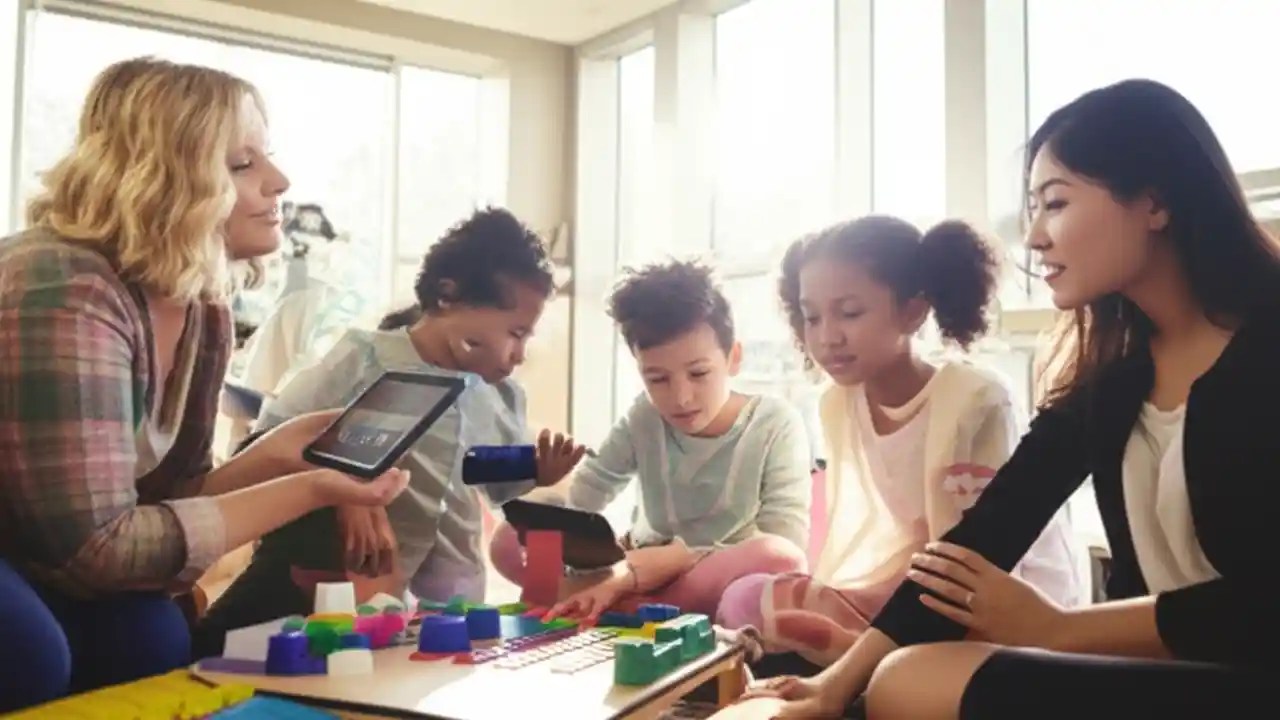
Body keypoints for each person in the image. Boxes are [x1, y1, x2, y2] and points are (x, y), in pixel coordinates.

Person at [733, 79, 1280, 720]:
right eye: (1031, 210)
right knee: (899, 678)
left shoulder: (1263, 349)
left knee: (910, 686)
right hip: (1168, 675)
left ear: (1154, 201)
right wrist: (835, 685)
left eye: (1055, 203)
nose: (1035, 237)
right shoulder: (1114, 378)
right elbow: (978, 541)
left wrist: (1061, 629)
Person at [0, 58, 407, 713]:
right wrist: (308, 487)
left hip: (37, 549)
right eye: (242, 165)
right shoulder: (63, 288)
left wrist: (274, 454)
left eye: (264, 157)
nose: (280, 181)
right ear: (160, 178)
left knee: (149, 639)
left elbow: (165, 503)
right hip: (38, 553)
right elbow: (94, 550)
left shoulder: (202, 309)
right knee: (26, 650)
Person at [195, 207, 585, 657]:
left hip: (443, 598)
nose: (518, 353)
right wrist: (347, 489)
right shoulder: (365, 358)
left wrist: (536, 470)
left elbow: (484, 475)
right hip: (332, 579)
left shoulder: (501, 396)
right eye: (515, 333)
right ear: (448, 296)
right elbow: (274, 440)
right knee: (226, 650)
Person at [714, 216, 1082, 677]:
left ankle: (864, 658)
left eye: (849, 313)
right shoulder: (838, 402)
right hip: (909, 584)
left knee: (886, 644)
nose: (827, 336)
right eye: (812, 317)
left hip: (999, 599)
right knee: (746, 595)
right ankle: (866, 655)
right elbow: (881, 545)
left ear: (913, 311)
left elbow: (977, 558)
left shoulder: (973, 399)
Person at [491, 259, 812, 620]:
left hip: (711, 573)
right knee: (511, 535)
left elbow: (785, 543)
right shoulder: (645, 415)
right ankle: (603, 599)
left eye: (699, 373)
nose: (681, 397)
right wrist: (573, 544)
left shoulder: (775, 423)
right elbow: (592, 487)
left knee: (777, 556)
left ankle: (612, 603)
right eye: (658, 379)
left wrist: (680, 559)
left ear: (733, 358)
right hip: (638, 562)